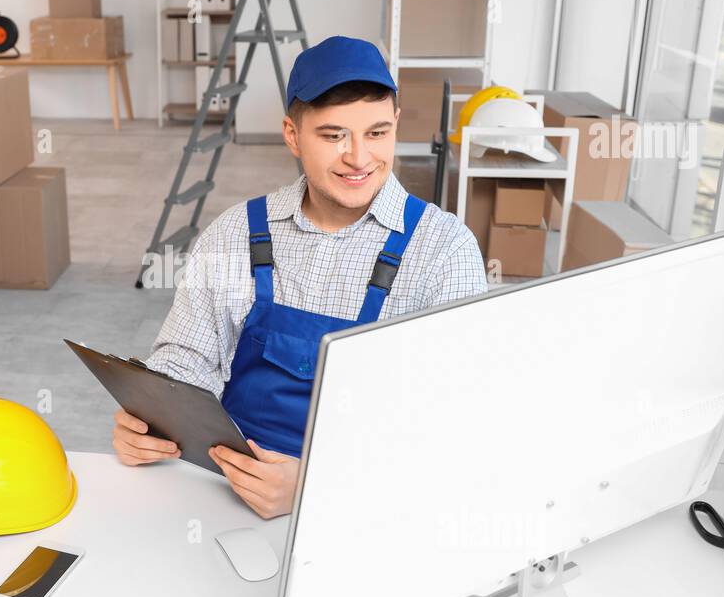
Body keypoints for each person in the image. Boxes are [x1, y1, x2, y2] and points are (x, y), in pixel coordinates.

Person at [114, 36, 487, 517]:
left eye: (376, 133)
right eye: (334, 136)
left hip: (369, 508)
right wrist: (151, 420)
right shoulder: (235, 234)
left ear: (395, 124)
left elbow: (452, 426)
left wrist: (316, 487)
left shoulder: (443, 252)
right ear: (292, 135)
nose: (359, 158)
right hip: (228, 489)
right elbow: (187, 357)